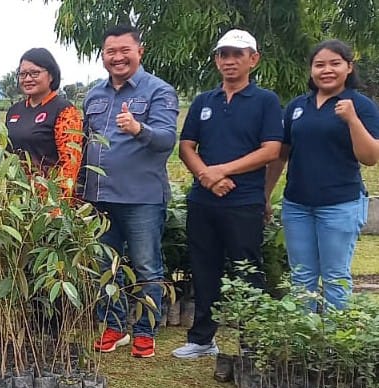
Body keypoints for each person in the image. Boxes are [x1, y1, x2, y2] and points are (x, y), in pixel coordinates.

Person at [172, 30, 282, 359]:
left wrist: (222, 170)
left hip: (244, 201)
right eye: (223, 54)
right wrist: (207, 176)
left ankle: (253, 343)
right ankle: (202, 339)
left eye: (237, 54)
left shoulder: (265, 101)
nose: (229, 60)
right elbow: (186, 146)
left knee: (247, 270)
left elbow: (271, 150)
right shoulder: (205, 101)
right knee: (204, 268)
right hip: (203, 200)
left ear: (253, 59)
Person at [81, 25, 179, 359]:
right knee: (104, 265)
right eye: (111, 51)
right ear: (103, 55)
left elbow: (168, 139)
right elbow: (84, 144)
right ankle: (114, 325)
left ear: (140, 51)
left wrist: (139, 129)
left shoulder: (158, 91)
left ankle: (145, 331)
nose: (118, 57)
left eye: (125, 50)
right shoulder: (94, 95)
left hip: (141, 198)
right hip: (99, 197)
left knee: (146, 266)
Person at [265, 39, 379, 310]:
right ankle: (306, 345)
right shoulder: (297, 106)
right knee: (301, 277)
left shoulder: (360, 106)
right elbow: (281, 154)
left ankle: (334, 347)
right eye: (319, 65)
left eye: (335, 63)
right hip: (297, 205)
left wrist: (352, 120)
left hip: (340, 205)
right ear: (311, 70)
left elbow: (370, 157)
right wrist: (265, 193)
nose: (326, 70)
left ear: (349, 67)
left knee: (335, 277)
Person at [4, 48, 83, 195]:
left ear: (51, 75)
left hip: (47, 199)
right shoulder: (14, 111)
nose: (27, 79)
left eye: (34, 73)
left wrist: (58, 202)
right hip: (16, 198)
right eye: (22, 74)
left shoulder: (64, 111)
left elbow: (70, 163)